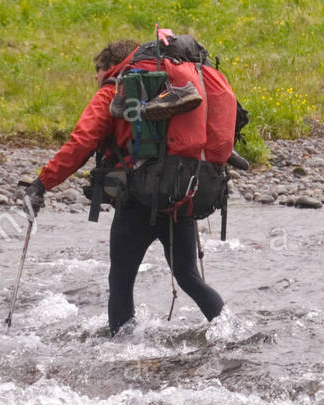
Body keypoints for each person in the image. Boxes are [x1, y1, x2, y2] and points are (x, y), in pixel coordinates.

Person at [25, 39, 226, 336]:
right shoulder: (169, 84)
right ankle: (230, 330)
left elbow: (81, 142)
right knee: (188, 277)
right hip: (179, 194)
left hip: (137, 202)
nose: (95, 77)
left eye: (97, 69)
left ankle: (122, 351)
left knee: (120, 280)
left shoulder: (113, 91)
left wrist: (43, 182)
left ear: (110, 66)